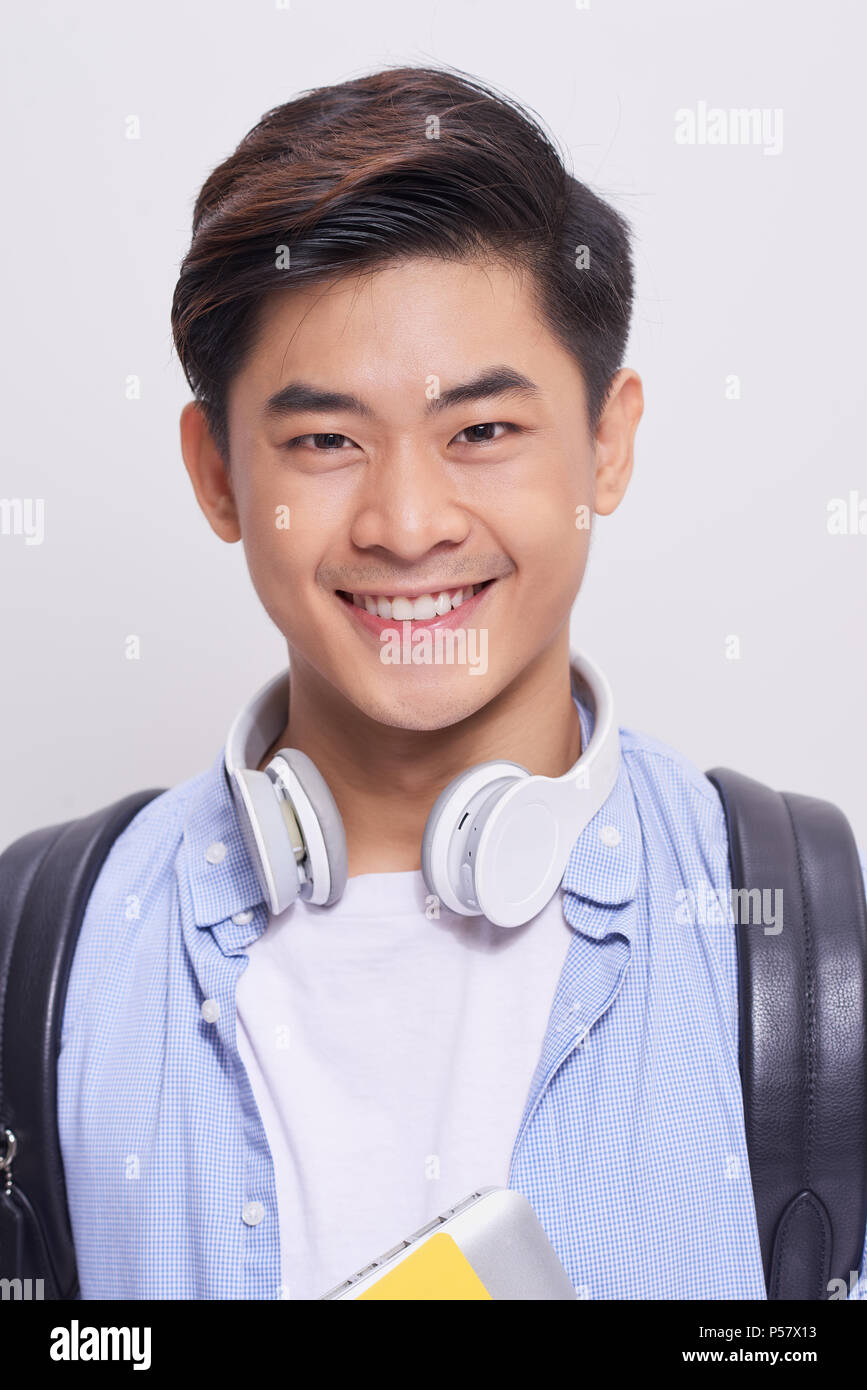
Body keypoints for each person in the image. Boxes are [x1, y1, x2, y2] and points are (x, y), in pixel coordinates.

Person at [56, 62, 867, 1300]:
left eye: (482, 432)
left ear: (607, 443)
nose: (407, 519)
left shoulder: (812, 956)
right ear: (217, 474)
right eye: (325, 440)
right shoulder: (45, 956)